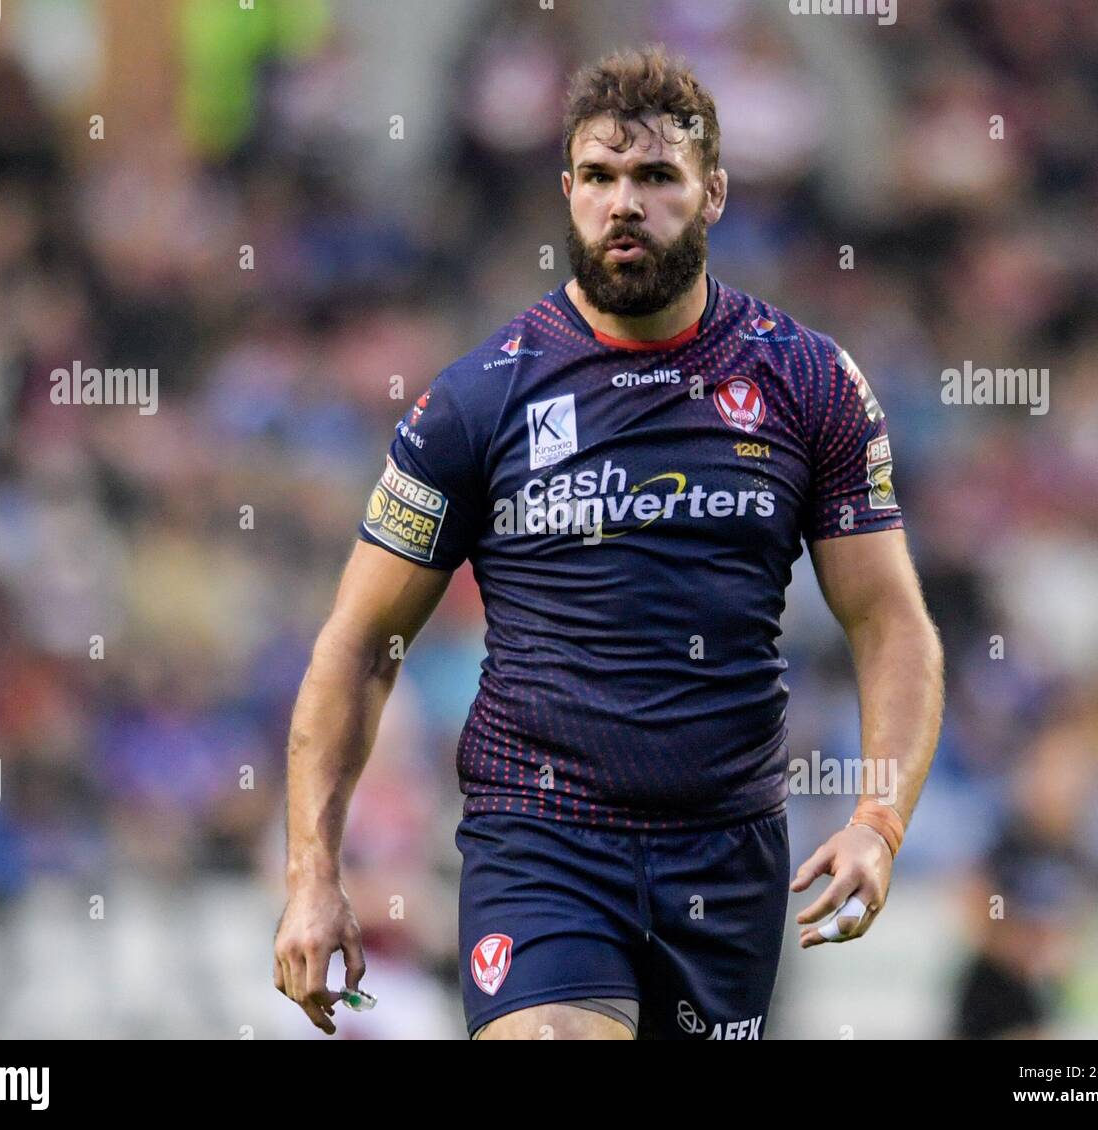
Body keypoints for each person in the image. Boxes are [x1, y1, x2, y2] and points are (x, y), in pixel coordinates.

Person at [274, 44, 943, 1040]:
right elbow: (360, 643)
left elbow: (891, 624)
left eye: (654, 176)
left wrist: (879, 818)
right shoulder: (477, 399)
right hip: (539, 840)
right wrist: (311, 873)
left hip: (725, 854)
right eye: (598, 176)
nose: (622, 202)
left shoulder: (808, 384)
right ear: (567, 191)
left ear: (712, 190)